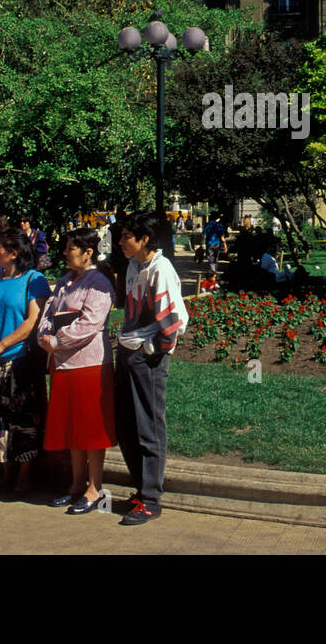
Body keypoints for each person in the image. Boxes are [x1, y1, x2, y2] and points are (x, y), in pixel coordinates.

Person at [35, 227, 117, 514]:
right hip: (62, 364)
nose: (65, 253)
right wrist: (44, 337)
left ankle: (94, 488)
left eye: (70, 248)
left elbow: (90, 322)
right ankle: (75, 484)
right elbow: (48, 312)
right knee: (72, 426)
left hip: (89, 364)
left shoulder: (99, 283)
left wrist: (57, 340)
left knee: (90, 427)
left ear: (87, 252)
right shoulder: (65, 280)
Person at [115, 211, 188, 525]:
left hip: (148, 357)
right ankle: (141, 489)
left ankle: (151, 499)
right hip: (128, 350)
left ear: (144, 239)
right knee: (127, 426)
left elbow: (172, 321)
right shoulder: (133, 265)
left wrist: (152, 350)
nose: (120, 242)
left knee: (149, 427)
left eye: (126, 237)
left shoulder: (161, 269)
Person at [0, 227, 51, 493]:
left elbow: (32, 320)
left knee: (21, 419)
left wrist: (1, 345)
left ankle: (24, 474)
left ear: (14, 254)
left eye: (0, 248)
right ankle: (5, 469)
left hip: (17, 361)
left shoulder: (33, 279)